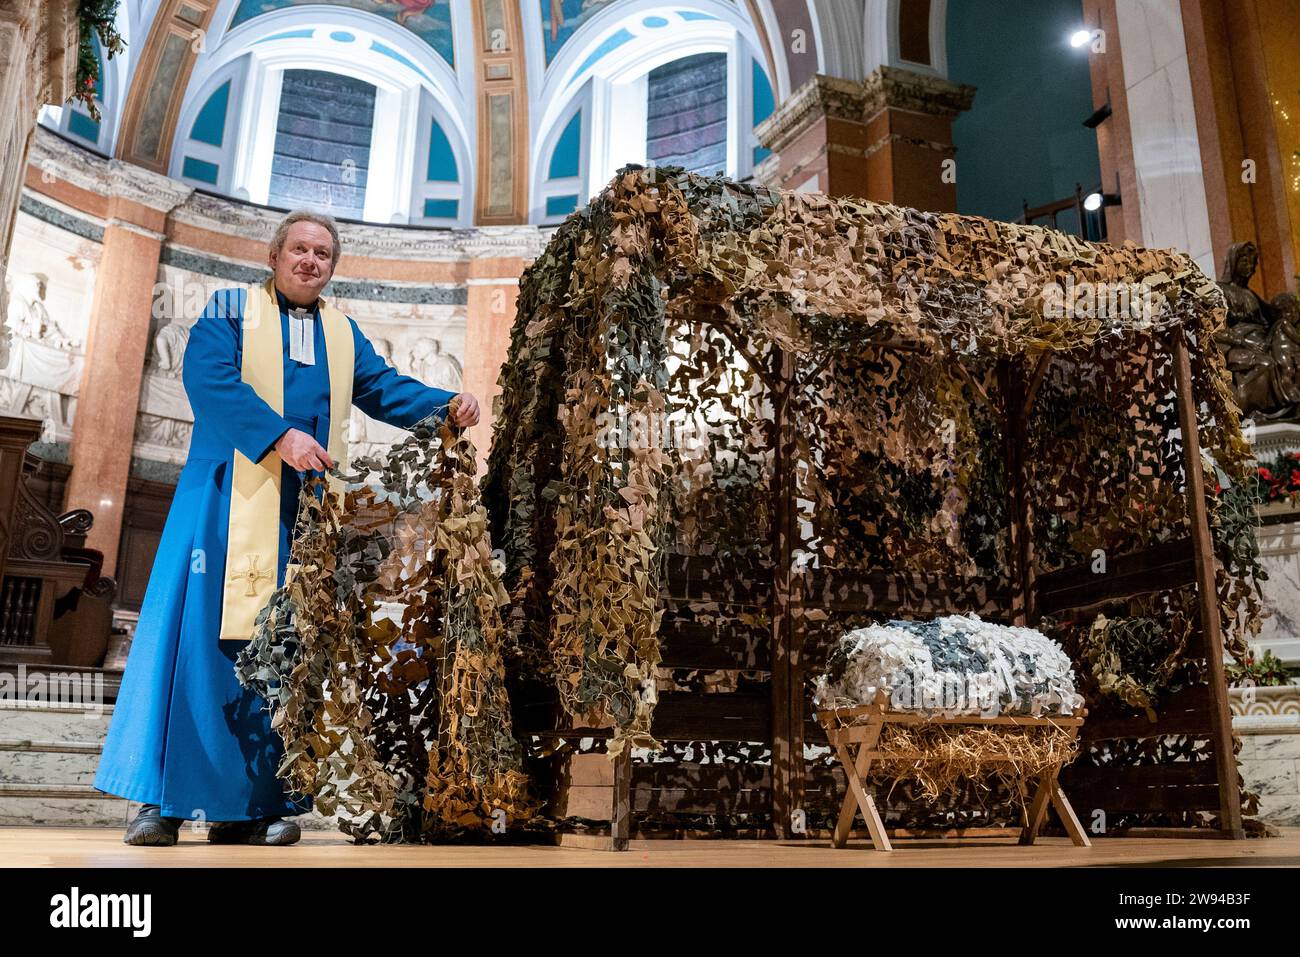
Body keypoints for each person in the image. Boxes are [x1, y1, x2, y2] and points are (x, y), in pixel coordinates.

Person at [93, 210, 480, 846]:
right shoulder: (227, 308)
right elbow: (209, 380)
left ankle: (253, 805)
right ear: (275, 257)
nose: (310, 261)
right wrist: (279, 436)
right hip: (223, 499)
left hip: (300, 512)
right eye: (299, 249)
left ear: (332, 267)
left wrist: (446, 405)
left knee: (282, 653)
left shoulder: (339, 330)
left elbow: (381, 389)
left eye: (323, 254)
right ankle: (161, 803)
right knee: (196, 645)